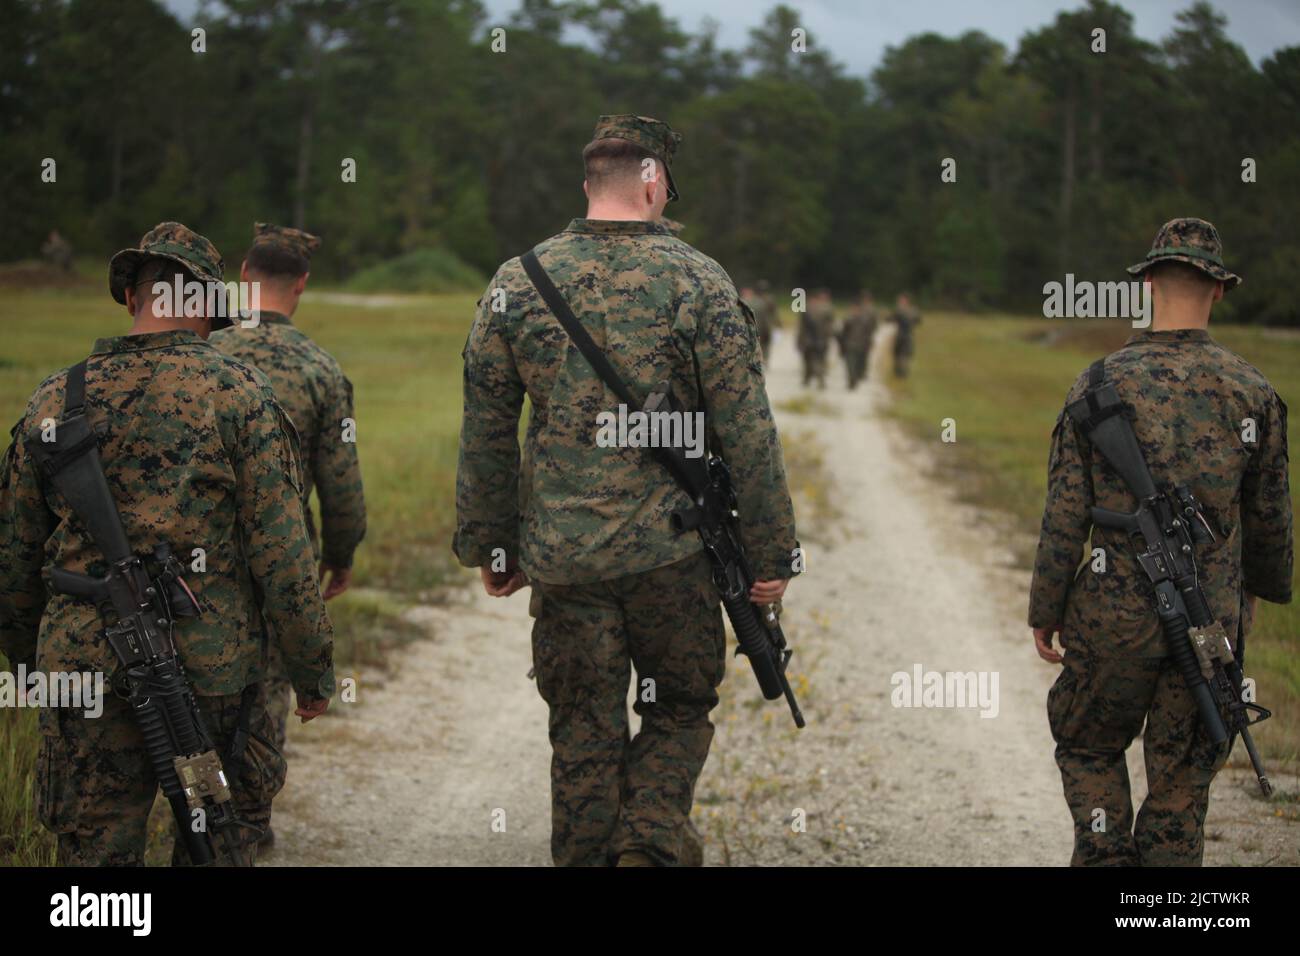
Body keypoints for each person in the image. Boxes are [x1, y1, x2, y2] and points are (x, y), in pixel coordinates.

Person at [454, 114, 799, 867]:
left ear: (589, 184)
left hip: (564, 557)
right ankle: (649, 842)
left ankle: (590, 852)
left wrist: (492, 544)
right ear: (652, 182)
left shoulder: (516, 281)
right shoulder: (700, 281)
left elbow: (486, 425)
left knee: (582, 724)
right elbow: (748, 432)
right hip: (674, 557)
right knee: (678, 706)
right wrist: (772, 553)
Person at [0, 222, 334, 866]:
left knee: (95, 859)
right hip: (211, 676)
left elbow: (14, 556)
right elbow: (284, 556)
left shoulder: (54, 398)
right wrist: (311, 669)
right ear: (208, 307)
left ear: (131, 296)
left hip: (83, 675)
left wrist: (26, 663)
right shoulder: (240, 396)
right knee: (216, 836)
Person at [1029, 217, 1293, 866]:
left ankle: (1103, 854)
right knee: (1180, 786)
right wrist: (1250, 602)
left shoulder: (1098, 385)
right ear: (1219, 289)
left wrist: (1046, 608)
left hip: (1110, 623)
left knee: (1090, 748)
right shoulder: (1253, 391)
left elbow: (1064, 515)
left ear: (1147, 283)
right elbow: (1269, 524)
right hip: (1209, 628)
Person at [211, 222, 366, 795]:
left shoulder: (204, 354)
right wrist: (340, 555)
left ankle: (199, 812)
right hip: (276, 565)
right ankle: (246, 813)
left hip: (189, 566)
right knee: (262, 696)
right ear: (302, 283)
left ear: (243, 275)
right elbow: (341, 485)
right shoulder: (320, 369)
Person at [838, 290, 878, 389]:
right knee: (850, 363)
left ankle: (857, 376)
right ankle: (853, 379)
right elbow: (843, 332)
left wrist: (869, 341)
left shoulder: (865, 317)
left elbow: (870, 330)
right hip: (851, 344)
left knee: (859, 362)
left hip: (860, 344)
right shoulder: (849, 319)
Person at [798, 288, 835, 389]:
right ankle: (818, 379)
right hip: (821, 339)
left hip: (809, 340)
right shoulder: (827, 309)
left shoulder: (806, 309)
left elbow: (802, 327)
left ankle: (809, 379)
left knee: (809, 360)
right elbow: (830, 326)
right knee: (819, 360)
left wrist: (800, 340)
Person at [890, 292, 921, 378]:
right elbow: (918, 321)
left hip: (902, 335)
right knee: (903, 355)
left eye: (901, 300)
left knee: (900, 354)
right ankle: (901, 372)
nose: (899, 302)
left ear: (905, 301)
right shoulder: (914, 310)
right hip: (908, 336)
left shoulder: (900, 310)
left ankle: (901, 373)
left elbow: (891, 318)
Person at [749, 279, 781, 360]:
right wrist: (778, 325)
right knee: (765, 347)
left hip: (756, 327)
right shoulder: (769, 300)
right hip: (765, 327)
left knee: (759, 347)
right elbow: (775, 314)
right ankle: (764, 360)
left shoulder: (753, 300)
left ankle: (761, 360)